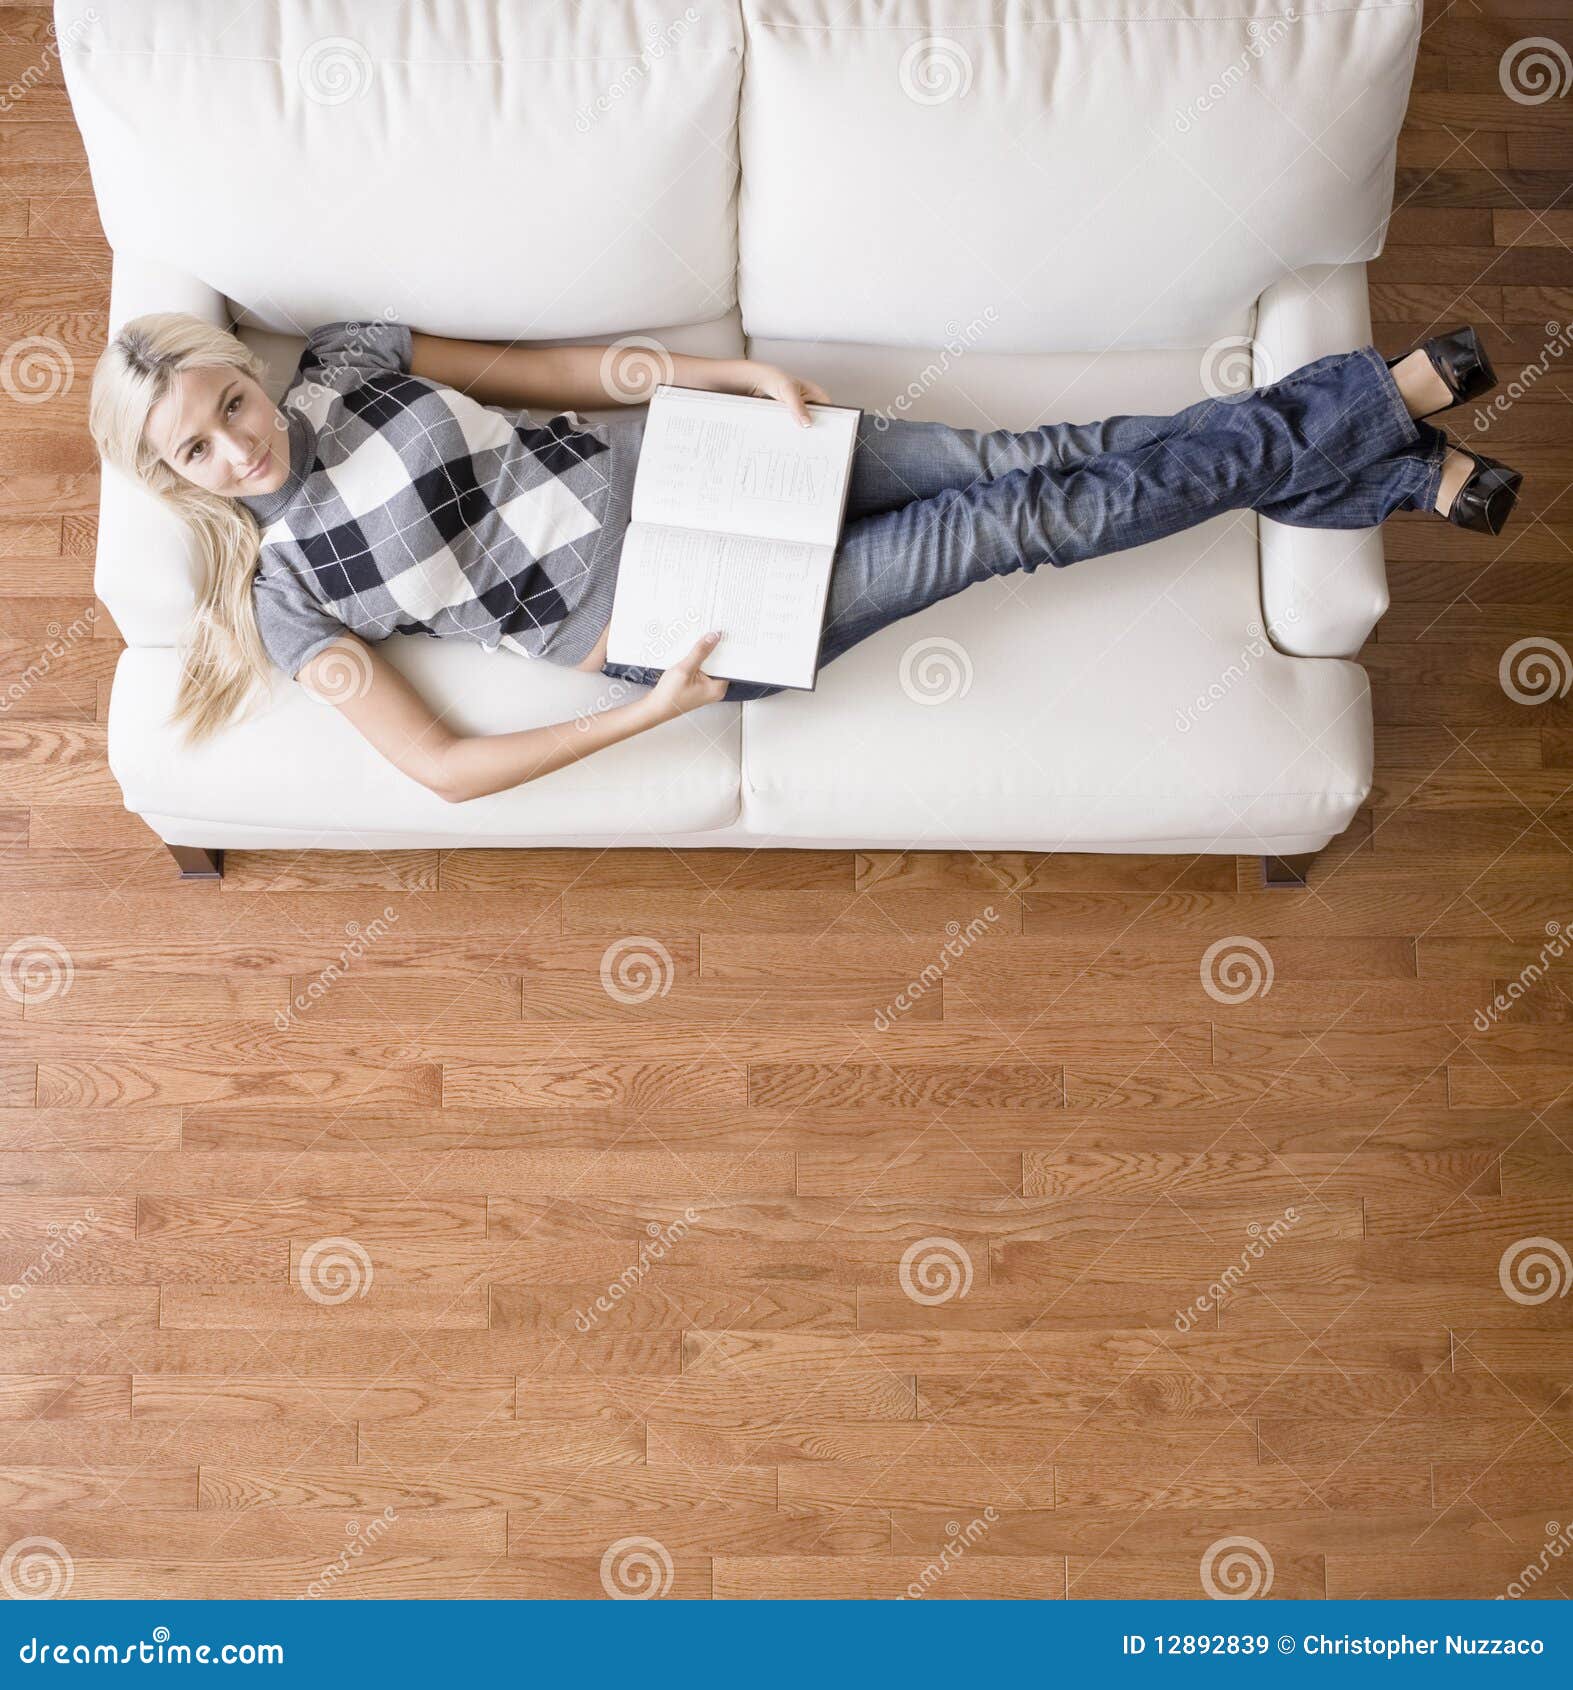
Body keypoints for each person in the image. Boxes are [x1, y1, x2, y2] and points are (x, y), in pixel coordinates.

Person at [88, 315, 1521, 801]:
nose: (235, 446)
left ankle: (1384, 458)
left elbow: (549, 371)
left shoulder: (348, 361)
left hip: (699, 460)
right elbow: (442, 769)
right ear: (170, 479)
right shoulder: (287, 594)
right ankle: (1377, 408)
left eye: (228, 406)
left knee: (1036, 453)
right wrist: (649, 712)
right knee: (1026, 522)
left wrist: (724, 372)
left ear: (245, 375)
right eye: (196, 452)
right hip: (676, 614)